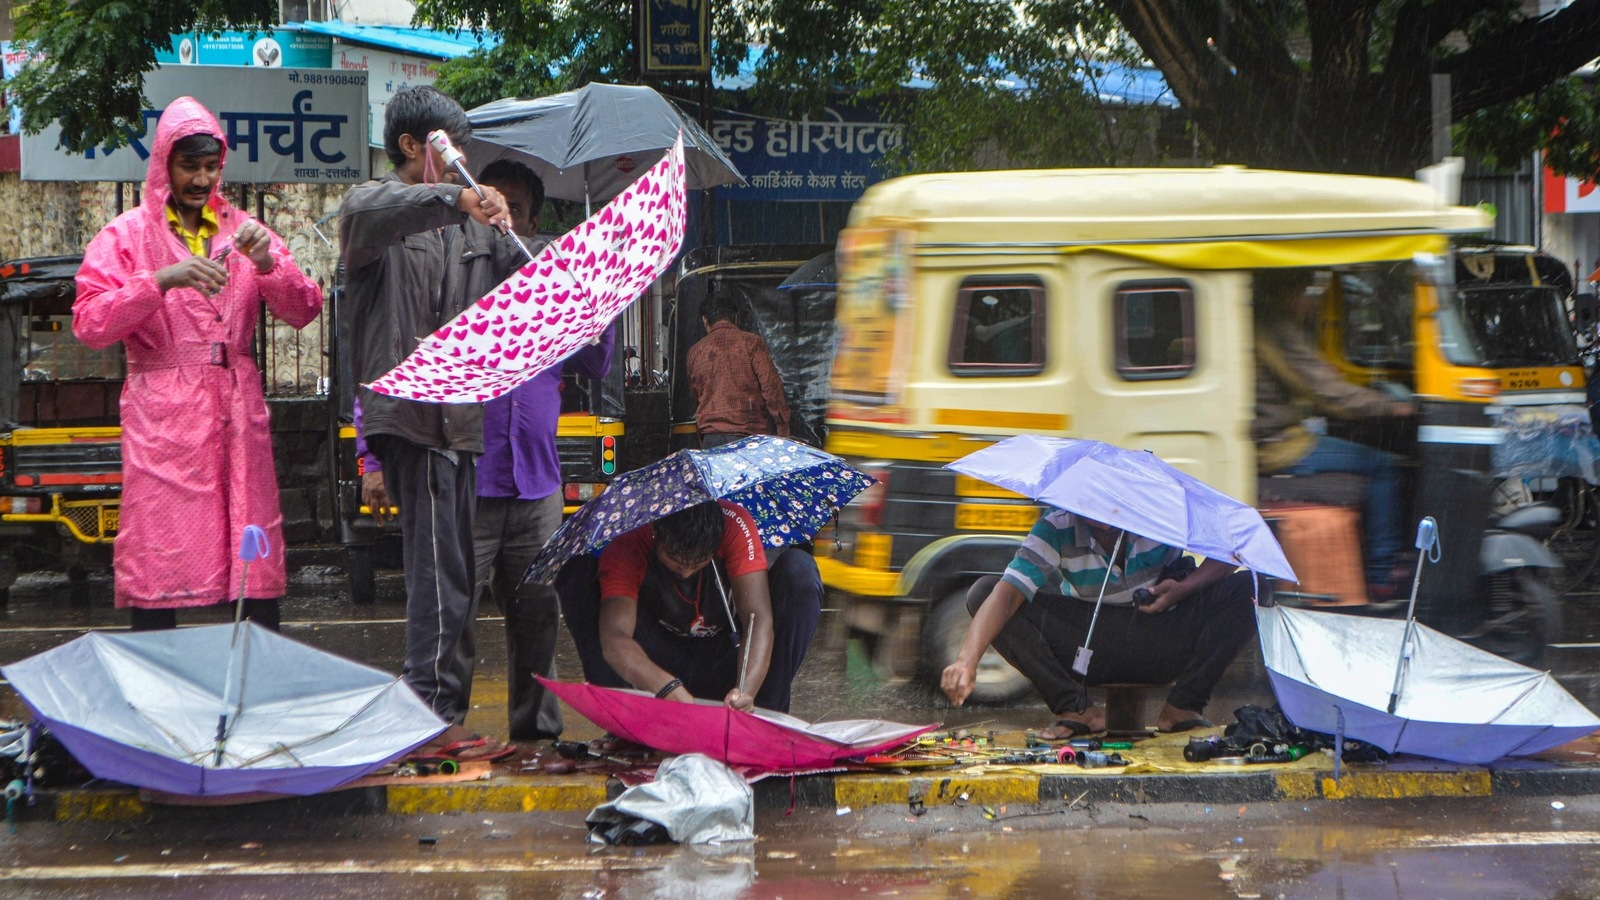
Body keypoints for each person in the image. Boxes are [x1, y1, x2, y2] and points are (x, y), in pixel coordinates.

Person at [360, 159, 616, 742]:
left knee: (539, 623)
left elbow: (598, 361)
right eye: (500, 209)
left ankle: (538, 738)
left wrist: (603, 295)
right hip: (461, 484)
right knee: (449, 622)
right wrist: (372, 461)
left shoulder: (552, 294)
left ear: (530, 223)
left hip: (537, 489)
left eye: (519, 213)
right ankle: (437, 733)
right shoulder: (455, 283)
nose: (507, 225)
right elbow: (387, 368)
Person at [73, 96, 322, 631]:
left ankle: (254, 686)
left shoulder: (245, 230)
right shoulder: (126, 236)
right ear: (165, 163)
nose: (202, 179)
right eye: (190, 166)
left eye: (211, 166)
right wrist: (159, 282)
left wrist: (266, 265)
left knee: (251, 550)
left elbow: (304, 309)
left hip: (237, 407)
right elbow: (90, 324)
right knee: (161, 557)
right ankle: (157, 692)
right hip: (163, 414)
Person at [339, 85, 519, 760]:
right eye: (448, 146)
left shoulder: (470, 230)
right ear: (413, 146)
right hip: (410, 417)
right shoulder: (373, 212)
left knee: (456, 572)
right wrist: (456, 196)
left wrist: (507, 228)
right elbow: (368, 210)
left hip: (460, 418)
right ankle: (427, 714)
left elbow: (520, 282)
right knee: (437, 571)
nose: (461, 161)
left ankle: (445, 712)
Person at [942, 509, 1257, 738]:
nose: (1103, 511)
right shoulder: (1056, 527)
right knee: (983, 593)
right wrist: (966, 661)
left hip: (1161, 637)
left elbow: (1235, 551)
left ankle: (1183, 708)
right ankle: (1076, 709)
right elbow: (1007, 595)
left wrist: (1183, 589)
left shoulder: (1160, 515)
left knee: (1252, 588)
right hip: (1089, 646)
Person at [556, 500, 823, 713]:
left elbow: (758, 618)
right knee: (576, 572)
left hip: (727, 658)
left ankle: (758, 715)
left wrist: (746, 691)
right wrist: (665, 686)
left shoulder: (734, 523)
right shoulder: (631, 538)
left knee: (799, 570)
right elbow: (615, 638)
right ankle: (627, 721)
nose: (685, 571)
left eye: (698, 562)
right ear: (656, 533)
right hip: (657, 666)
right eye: (674, 559)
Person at [1252, 268, 1414, 597]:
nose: (1310, 303)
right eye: (1307, 293)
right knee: (1382, 465)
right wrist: (1390, 406)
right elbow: (1326, 393)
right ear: (1289, 293)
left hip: (1279, 438)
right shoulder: (1276, 328)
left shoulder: (1261, 323)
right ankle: (1382, 573)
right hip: (1281, 448)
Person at [687, 294, 792, 448]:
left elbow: (695, 395)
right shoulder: (752, 343)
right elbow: (771, 387)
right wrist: (783, 426)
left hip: (711, 438)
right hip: (750, 437)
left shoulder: (695, 353)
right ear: (735, 317)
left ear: (705, 321)